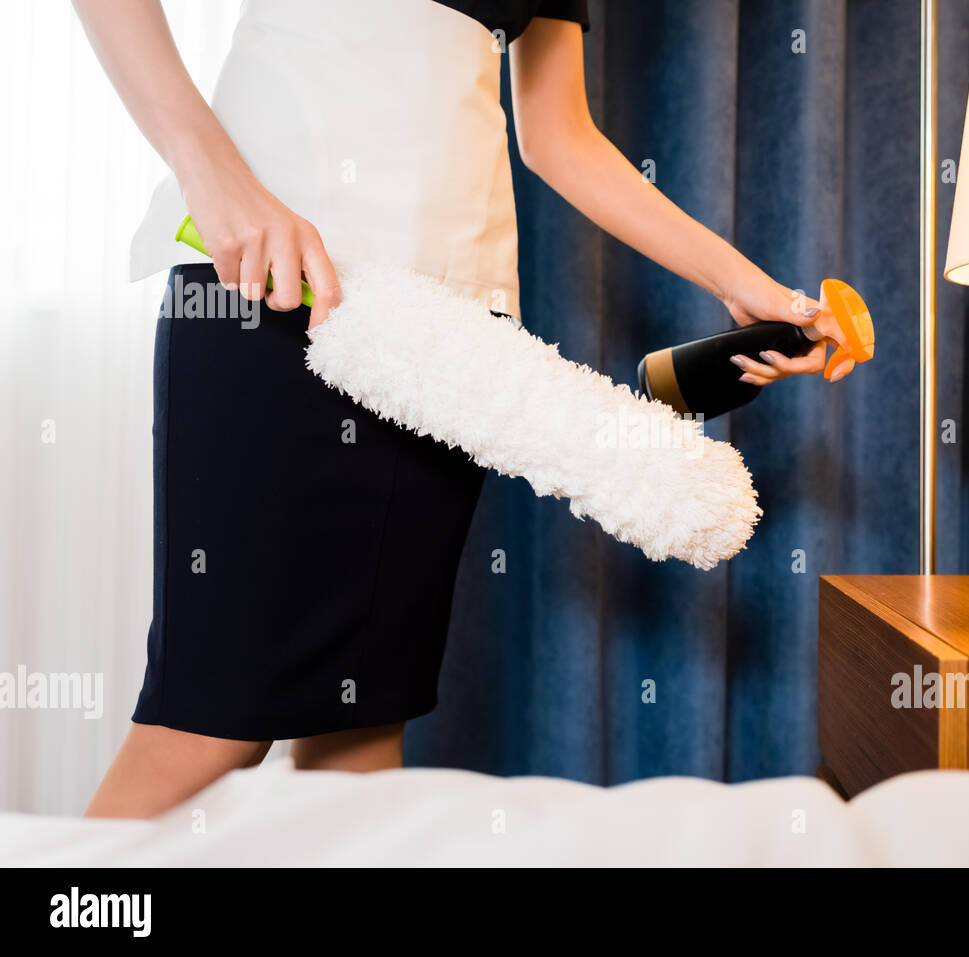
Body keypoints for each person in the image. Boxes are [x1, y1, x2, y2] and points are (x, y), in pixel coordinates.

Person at [75, 0, 841, 818]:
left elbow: (559, 136)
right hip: (274, 277)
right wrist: (211, 173)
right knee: (205, 727)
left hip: (453, 337)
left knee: (361, 731)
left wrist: (739, 283)